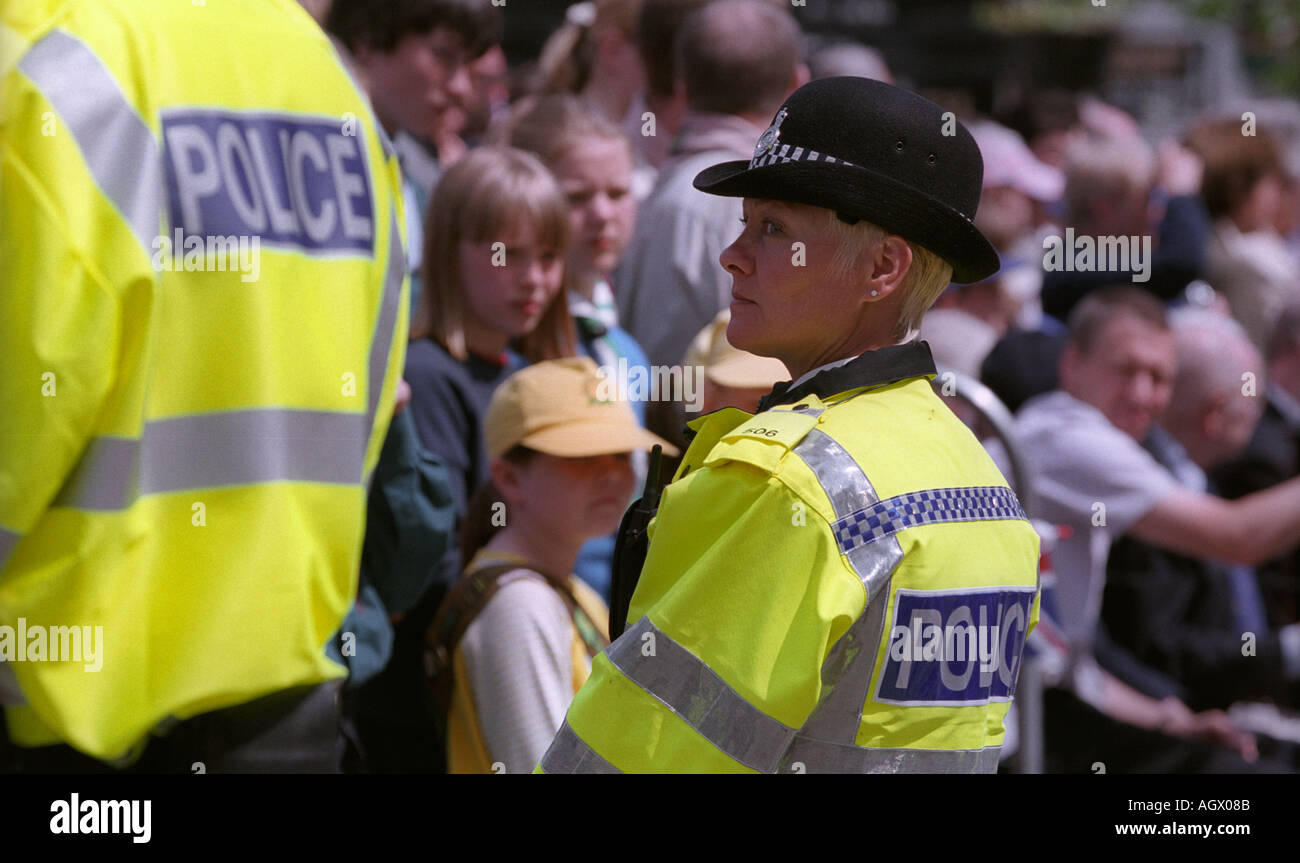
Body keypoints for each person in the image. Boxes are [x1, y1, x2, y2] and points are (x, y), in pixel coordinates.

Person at [539, 76, 1042, 774]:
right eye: (745, 224)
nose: (733, 254)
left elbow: (636, 754)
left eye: (774, 228)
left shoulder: (787, 481)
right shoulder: (986, 488)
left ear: (883, 266)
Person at [1, 0, 407, 770]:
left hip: (71, 716)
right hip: (284, 697)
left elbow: (30, 401)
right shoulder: (328, 80)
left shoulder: (60, 60)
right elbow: (372, 382)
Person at [352, 145, 576, 772]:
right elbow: (437, 556)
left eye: (551, 257)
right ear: (449, 251)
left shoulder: (525, 370)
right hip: (425, 705)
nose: (533, 278)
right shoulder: (428, 375)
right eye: (508, 254)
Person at [430, 358, 676, 773]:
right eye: (582, 456)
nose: (613, 474)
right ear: (508, 477)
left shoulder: (568, 589)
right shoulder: (519, 606)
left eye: (619, 453)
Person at [496, 93, 654, 600]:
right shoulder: (511, 341)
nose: (603, 214)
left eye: (618, 192)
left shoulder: (627, 349)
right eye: (578, 197)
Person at [616, 0, 807, 369]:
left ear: (683, 90)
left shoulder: (667, 191)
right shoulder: (699, 201)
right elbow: (668, 376)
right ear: (796, 84)